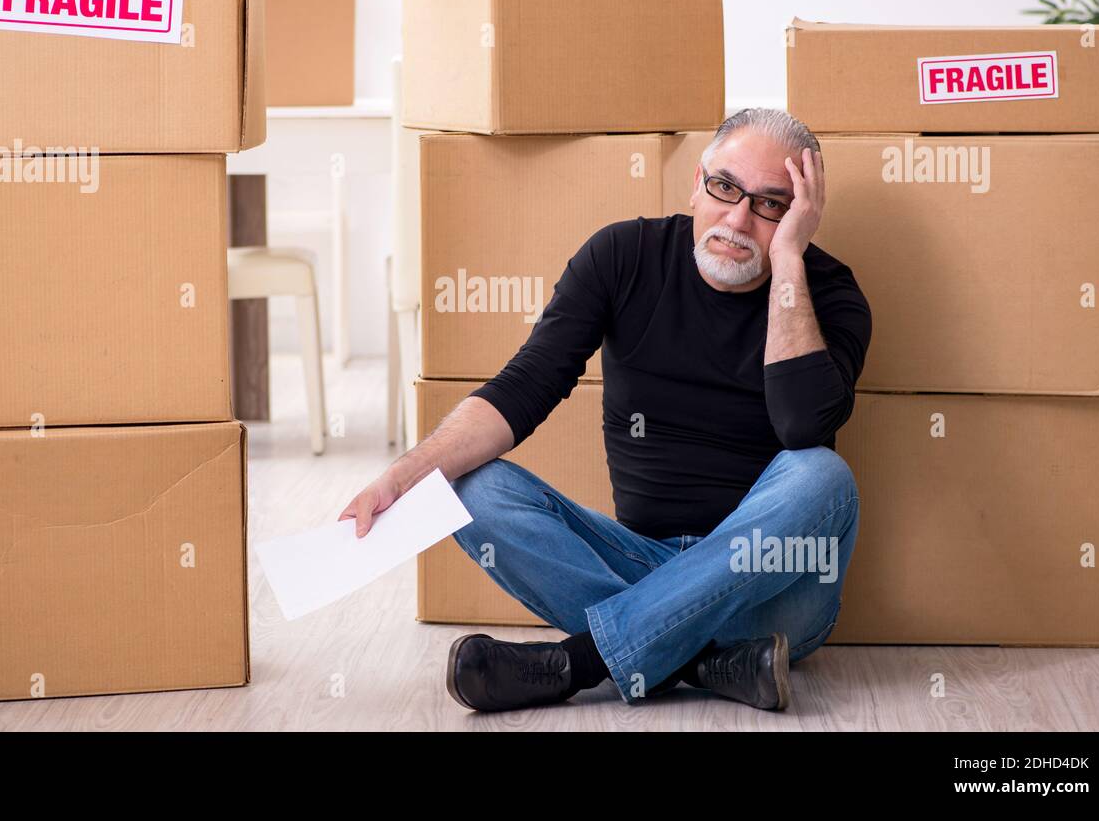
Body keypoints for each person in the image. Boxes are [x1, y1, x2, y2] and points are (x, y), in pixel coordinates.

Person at [339, 108, 871, 712]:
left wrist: (791, 262)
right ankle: (707, 661)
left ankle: (578, 663)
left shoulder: (828, 294)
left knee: (822, 475)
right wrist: (402, 475)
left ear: (800, 215)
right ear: (697, 181)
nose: (738, 219)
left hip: (772, 595)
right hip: (636, 560)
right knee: (468, 486)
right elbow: (524, 387)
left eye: (771, 205)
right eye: (725, 188)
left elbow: (803, 424)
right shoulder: (624, 255)